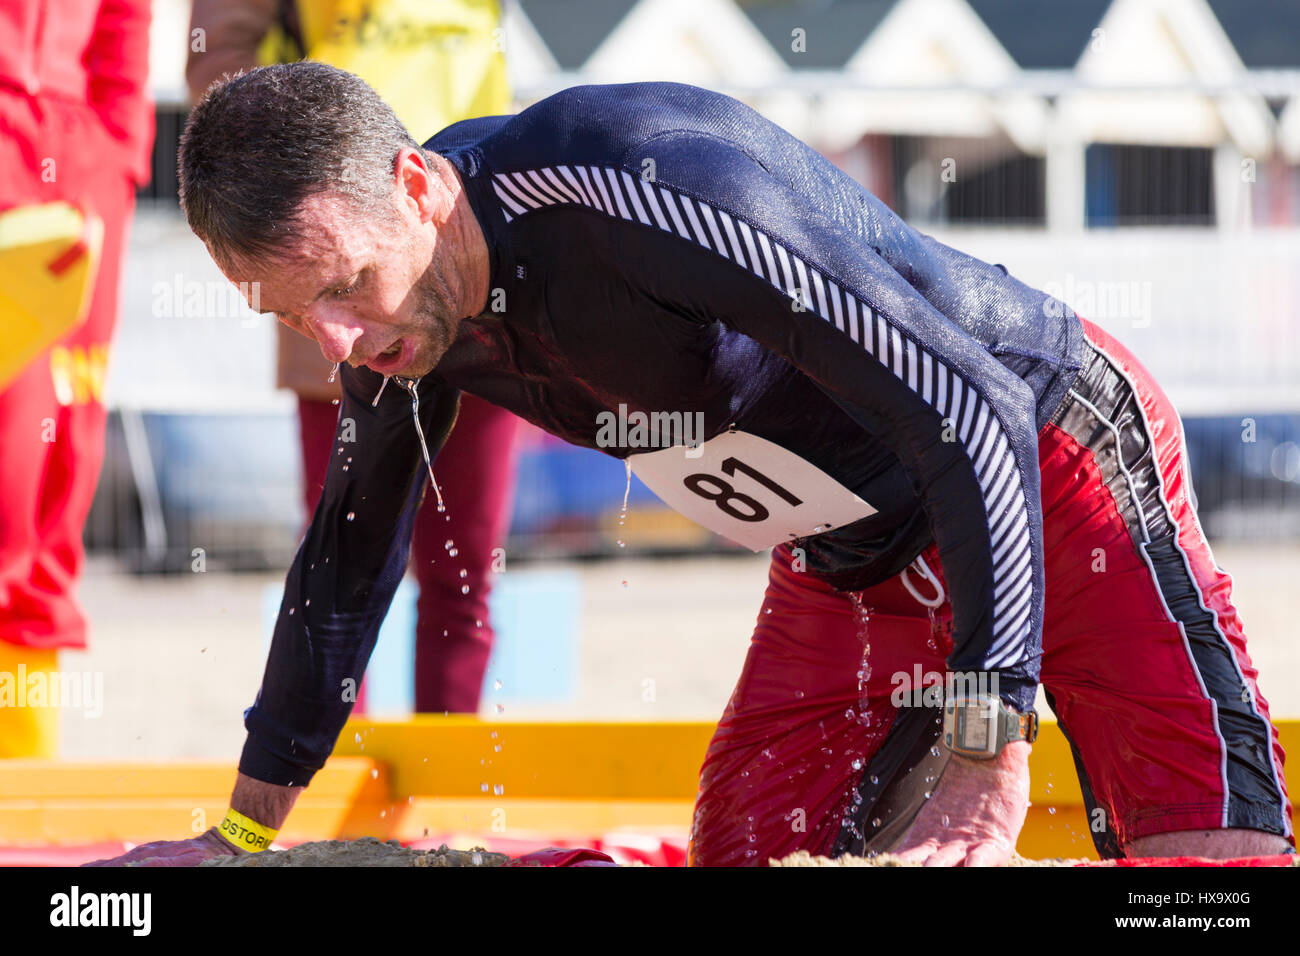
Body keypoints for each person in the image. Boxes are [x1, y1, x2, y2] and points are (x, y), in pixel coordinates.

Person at [91, 64, 1292, 866]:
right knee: (750, 853)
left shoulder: (637, 191)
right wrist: (239, 842)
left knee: (1205, 871)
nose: (339, 343)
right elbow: (345, 560)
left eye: (346, 288)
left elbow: (966, 403)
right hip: (849, 556)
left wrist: (990, 741)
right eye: (296, 317)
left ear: (417, 185)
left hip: (1037, 458)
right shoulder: (398, 328)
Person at [186, 0, 520, 715]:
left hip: (467, 260)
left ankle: (450, 791)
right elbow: (216, 85)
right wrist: (306, 208)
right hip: (337, 279)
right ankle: (331, 785)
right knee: (342, 575)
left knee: (466, 576)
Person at [0, 0, 153, 757]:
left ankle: (22, 767)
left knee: (62, 451)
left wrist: (119, 145)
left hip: (82, 145)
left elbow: (125, 20)